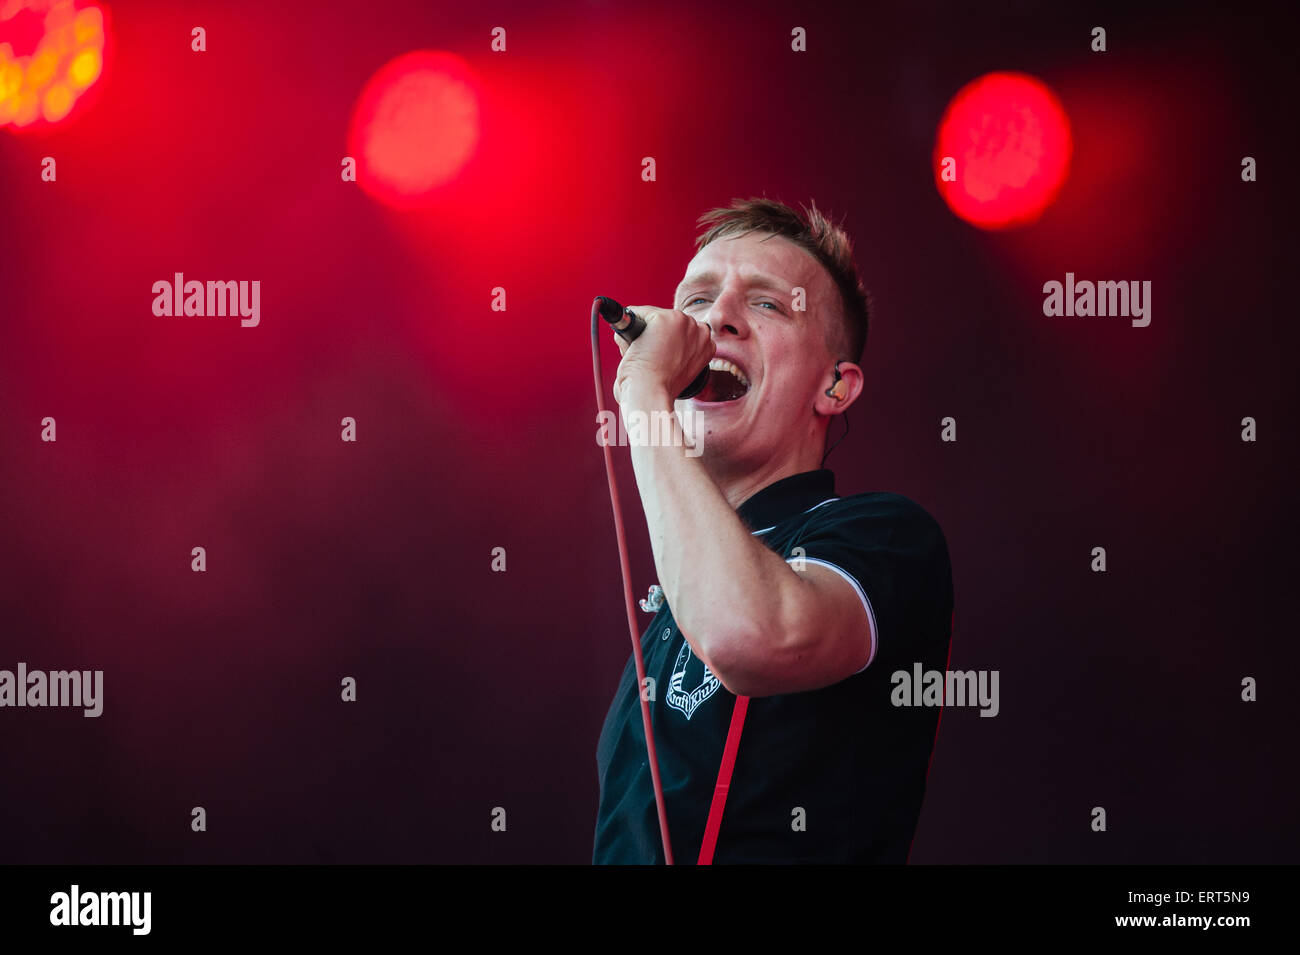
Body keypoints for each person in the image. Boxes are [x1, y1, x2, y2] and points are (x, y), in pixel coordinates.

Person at [593, 197, 954, 864]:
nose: (717, 317)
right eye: (697, 298)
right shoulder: (672, 609)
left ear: (836, 388)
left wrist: (642, 392)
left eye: (766, 304)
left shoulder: (887, 538)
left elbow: (749, 634)